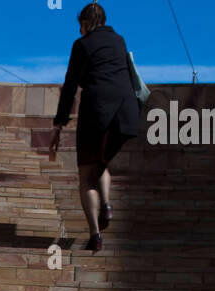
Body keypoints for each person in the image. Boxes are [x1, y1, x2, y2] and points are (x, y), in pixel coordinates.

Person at [47, 4, 140, 252]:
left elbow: (70, 86)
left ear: (85, 23)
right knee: (102, 162)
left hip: (97, 110)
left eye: (80, 25)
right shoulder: (119, 41)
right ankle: (107, 204)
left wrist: (60, 122)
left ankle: (95, 235)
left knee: (87, 174)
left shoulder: (82, 45)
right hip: (127, 113)